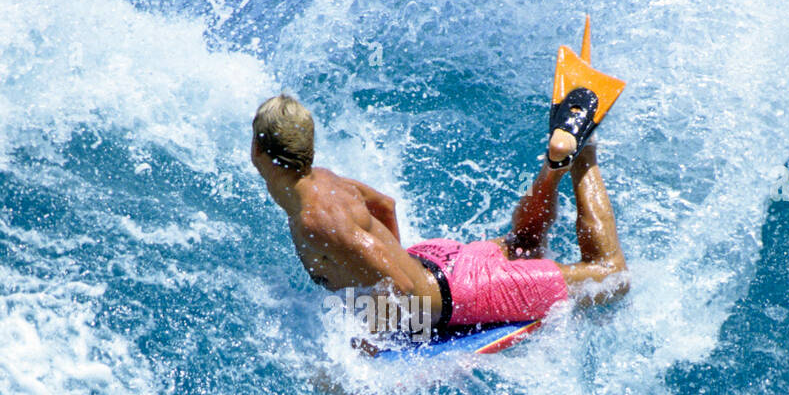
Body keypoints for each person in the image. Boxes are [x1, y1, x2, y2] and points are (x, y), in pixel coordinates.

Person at [250, 72, 628, 339]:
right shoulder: (323, 179)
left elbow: (399, 284)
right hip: (437, 261)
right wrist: (399, 258)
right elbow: (385, 204)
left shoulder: (314, 219)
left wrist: (372, 338)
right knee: (522, 245)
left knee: (612, 275)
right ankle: (555, 162)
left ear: (261, 152)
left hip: (460, 294)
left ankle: (584, 151)